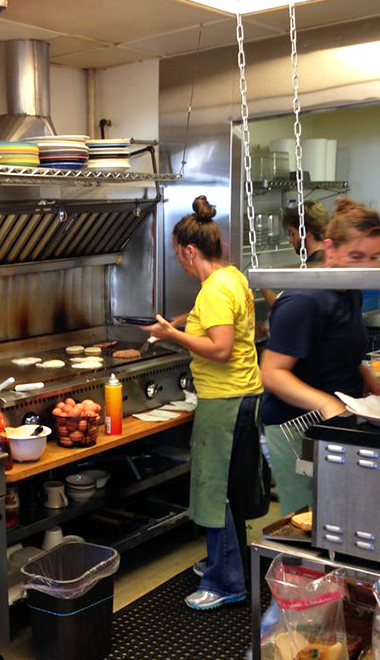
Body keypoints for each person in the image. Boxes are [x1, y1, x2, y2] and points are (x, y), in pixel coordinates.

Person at [145, 196, 263, 610]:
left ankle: (226, 582)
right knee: (229, 489)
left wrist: (172, 336)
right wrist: (174, 323)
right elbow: (209, 314)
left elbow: (220, 347)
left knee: (214, 492)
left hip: (224, 401)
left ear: (190, 250)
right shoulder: (231, 277)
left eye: (179, 255)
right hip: (245, 395)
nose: (179, 261)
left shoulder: (214, 289)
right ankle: (225, 562)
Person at [261, 197, 380, 515]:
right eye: (356, 256)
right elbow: (271, 373)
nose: (367, 267)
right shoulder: (306, 298)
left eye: (375, 257)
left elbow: (344, 354)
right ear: (330, 250)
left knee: (344, 515)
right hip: (297, 426)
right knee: (310, 522)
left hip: (338, 419)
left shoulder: (350, 289)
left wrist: (374, 386)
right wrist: (326, 403)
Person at [261, 201, 328, 308]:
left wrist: (262, 283)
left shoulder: (313, 268)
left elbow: (282, 307)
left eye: (292, 233)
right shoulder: (327, 259)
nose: (290, 240)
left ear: (307, 232)